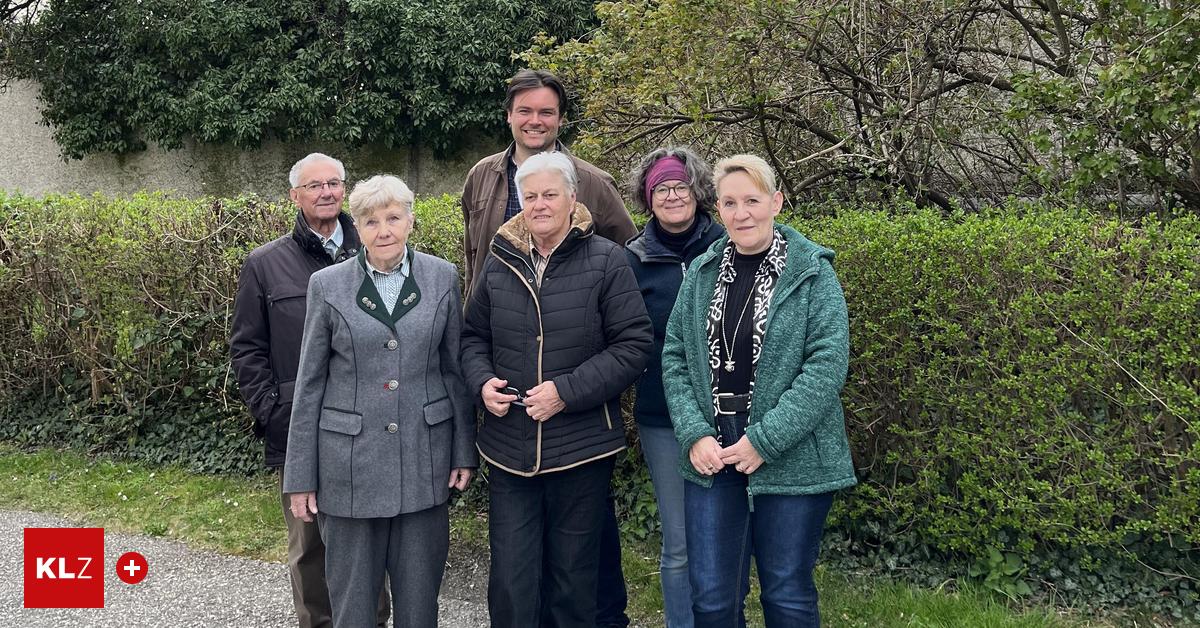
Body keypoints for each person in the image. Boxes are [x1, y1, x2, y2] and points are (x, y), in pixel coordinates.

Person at [459, 68, 637, 627]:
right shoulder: (498, 251)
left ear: (572, 197)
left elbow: (632, 341)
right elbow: (473, 334)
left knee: (575, 579)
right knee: (511, 577)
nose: (539, 204)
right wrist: (480, 379)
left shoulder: (606, 257)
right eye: (529, 195)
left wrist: (566, 390)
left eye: (550, 195)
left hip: (580, 438)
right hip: (510, 440)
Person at [661, 155, 857, 628]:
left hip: (790, 451)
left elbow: (827, 366)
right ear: (719, 208)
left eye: (752, 200)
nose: (741, 213)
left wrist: (764, 440)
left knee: (786, 594)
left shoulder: (812, 273)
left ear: (776, 202)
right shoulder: (703, 274)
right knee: (710, 598)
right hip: (713, 448)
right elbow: (674, 358)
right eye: (729, 202)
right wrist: (693, 433)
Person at [283, 175, 477, 628]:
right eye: (371, 221)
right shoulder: (327, 285)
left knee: (418, 607)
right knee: (352, 606)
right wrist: (300, 476)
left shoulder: (442, 277)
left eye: (393, 218)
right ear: (358, 226)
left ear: (411, 219)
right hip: (348, 469)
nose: (384, 229)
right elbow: (309, 383)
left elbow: (454, 369)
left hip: (423, 461)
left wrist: (463, 449)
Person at [230, 153, 391, 628]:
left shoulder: (374, 254)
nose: (325, 192)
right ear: (295, 196)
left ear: (345, 190)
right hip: (297, 427)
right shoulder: (264, 264)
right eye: (314, 185)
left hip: (364, 426)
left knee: (367, 538)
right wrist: (272, 408)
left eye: (334, 183)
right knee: (309, 547)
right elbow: (247, 346)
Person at [623, 147, 725, 628]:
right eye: (660, 188)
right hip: (663, 415)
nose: (671, 195)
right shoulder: (634, 258)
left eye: (680, 185)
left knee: (728, 535)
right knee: (680, 542)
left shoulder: (729, 245)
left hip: (733, 416)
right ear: (648, 197)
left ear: (698, 190)